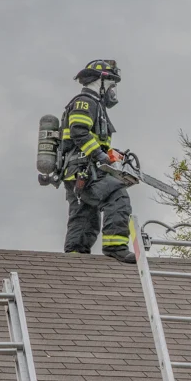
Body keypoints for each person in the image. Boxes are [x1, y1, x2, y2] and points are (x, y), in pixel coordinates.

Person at [52, 59, 135, 264]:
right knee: (117, 195)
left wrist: (111, 154)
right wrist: (100, 156)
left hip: (76, 171)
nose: (113, 90)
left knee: (84, 212)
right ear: (100, 81)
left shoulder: (93, 104)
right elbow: (79, 132)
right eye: (112, 84)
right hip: (85, 169)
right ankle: (116, 246)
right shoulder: (85, 102)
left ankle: (75, 258)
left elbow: (90, 138)